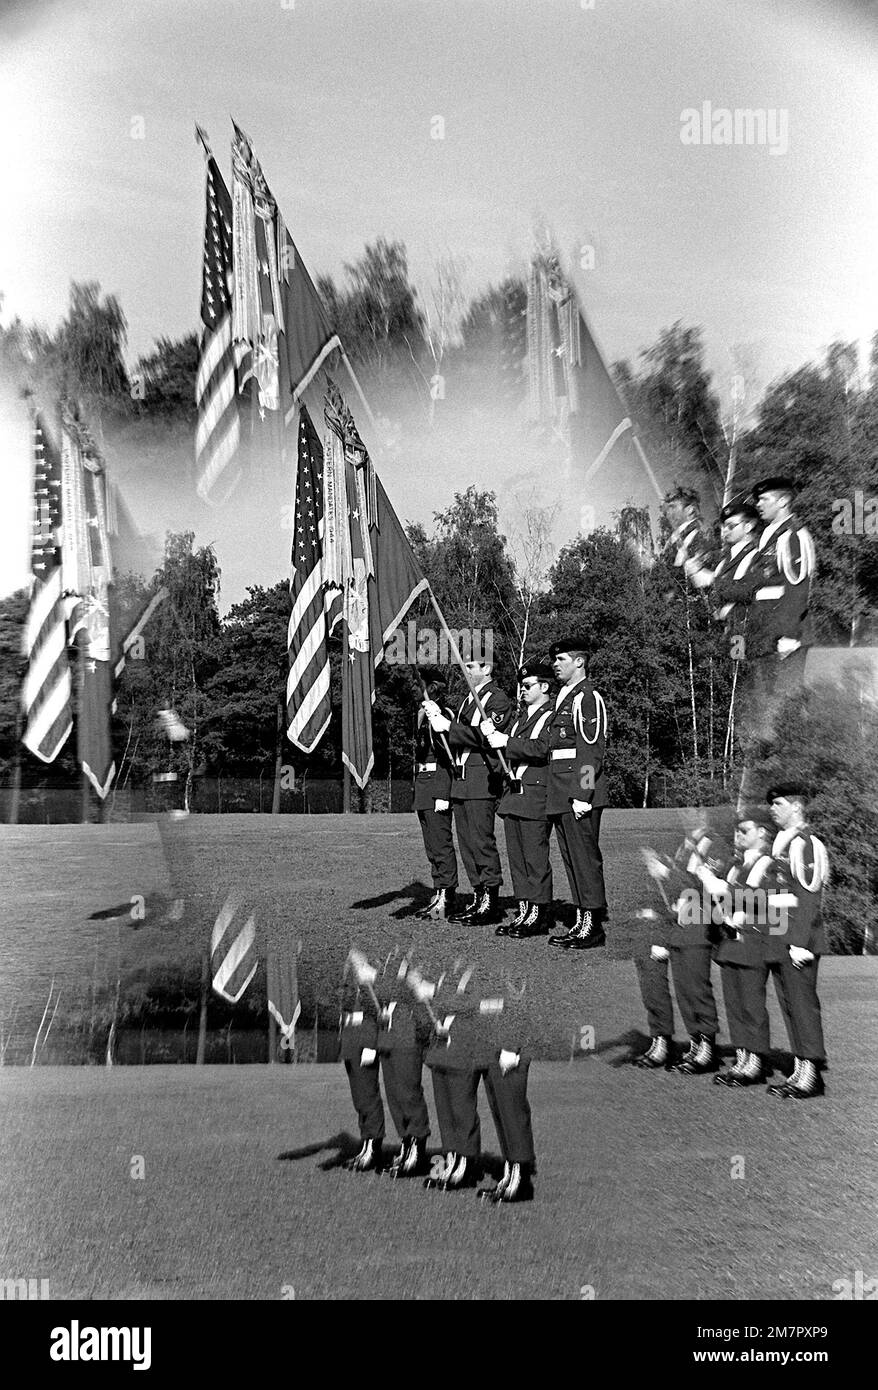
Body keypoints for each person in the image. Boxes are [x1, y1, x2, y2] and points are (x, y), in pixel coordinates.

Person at [484, 637, 608, 949]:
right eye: (554, 659)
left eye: (562, 659)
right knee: (571, 860)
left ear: (580, 661)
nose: (555, 664)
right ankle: (582, 921)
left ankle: (592, 924)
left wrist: (584, 793)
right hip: (560, 793)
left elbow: (591, 750)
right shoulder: (567, 697)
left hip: (576, 793)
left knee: (584, 859)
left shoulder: (587, 696)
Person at [633, 825, 732, 1073]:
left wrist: (667, 872)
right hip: (679, 928)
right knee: (685, 994)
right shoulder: (684, 846)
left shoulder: (714, 844)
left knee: (697, 991)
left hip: (698, 926)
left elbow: (702, 887)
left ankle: (708, 1049)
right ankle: (696, 1045)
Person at [423, 658, 513, 926]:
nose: (467, 671)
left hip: (480, 778)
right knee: (467, 845)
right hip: (461, 779)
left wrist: (448, 726)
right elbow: (455, 737)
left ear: (487, 669)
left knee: (481, 842)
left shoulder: (498, 700)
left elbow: (487, 736)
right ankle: (478, 895)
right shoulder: (467, 701)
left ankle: (490, 901)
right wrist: (436, 719)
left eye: (472, 666)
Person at [697, 813, 776, 1088]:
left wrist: (722, 890)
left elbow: (761, 900)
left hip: (752, 942)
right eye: (736, 831)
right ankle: (742, 1057)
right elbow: (722, 901)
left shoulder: (766, 863)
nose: (738, 835)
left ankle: (756, 1061)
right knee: (734, 1005)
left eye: (745, 830)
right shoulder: (735, 864)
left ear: (763, 832)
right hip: (730, 942)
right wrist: (718, 903)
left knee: (752, 1006)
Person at [762, 782, 830, 1099]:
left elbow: (808, 896)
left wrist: (800, 942)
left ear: (796, 807)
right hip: (782, 937)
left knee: (803, 1007)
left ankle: (812, 1075)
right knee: (790, 1007)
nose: (772, 809)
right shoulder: (782, 843)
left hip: (799, 940)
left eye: (778, 803)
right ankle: (800, 1069)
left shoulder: (805, 843)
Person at [749, 476, 816, 724]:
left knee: (787, 698)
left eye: (764, 499)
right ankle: (771, 754)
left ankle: (796, 753)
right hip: (766, 631)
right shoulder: (768, 536)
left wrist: (788, 634)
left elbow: (798, 588)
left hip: (785, 633)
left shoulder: (793, 535)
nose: (758, 504)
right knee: (766, 699)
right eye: (758, 499)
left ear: (784, 501)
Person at [495, 660, 554, 938]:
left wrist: (505, 742)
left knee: (535, 859)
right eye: (521, 686)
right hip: (514, 795)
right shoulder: (520, 719)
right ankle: (524, 910)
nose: (523, 691)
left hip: (535, 796)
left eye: (528, 686)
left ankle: (539, 914)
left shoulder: (551, 715)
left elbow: (541, 748)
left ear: (544, 686)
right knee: (517, 860)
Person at [375, 953, 432, 1176]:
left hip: (408, 1032)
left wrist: (386, 984)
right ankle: (407, 1146)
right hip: (389, 1033)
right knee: (394, 1096)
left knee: (409, 1093)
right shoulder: (390, 958)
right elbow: (382, 990)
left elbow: (409, 989)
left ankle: (417, 1152)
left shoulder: (416, 955)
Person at [412, 672, 458, 921]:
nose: (413, 689)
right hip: (423, 785)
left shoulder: (442, 715)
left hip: (436, 787)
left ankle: (447, 895)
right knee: (432, 847)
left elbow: (447, 757)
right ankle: (438, 891)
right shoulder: (421, 714)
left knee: (441, 845)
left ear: (431, 688)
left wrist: (443, 792)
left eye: (417, 685)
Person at [340, 950, 385, 1171]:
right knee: (360, 1098)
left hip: (363, 1037)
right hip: (350, 1038)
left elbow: (376, 1010)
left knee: (368, 1096)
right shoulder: (349, 967)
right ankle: (365, 1143)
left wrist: (370, 1043)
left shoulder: (371, 968)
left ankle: (373, 1146)